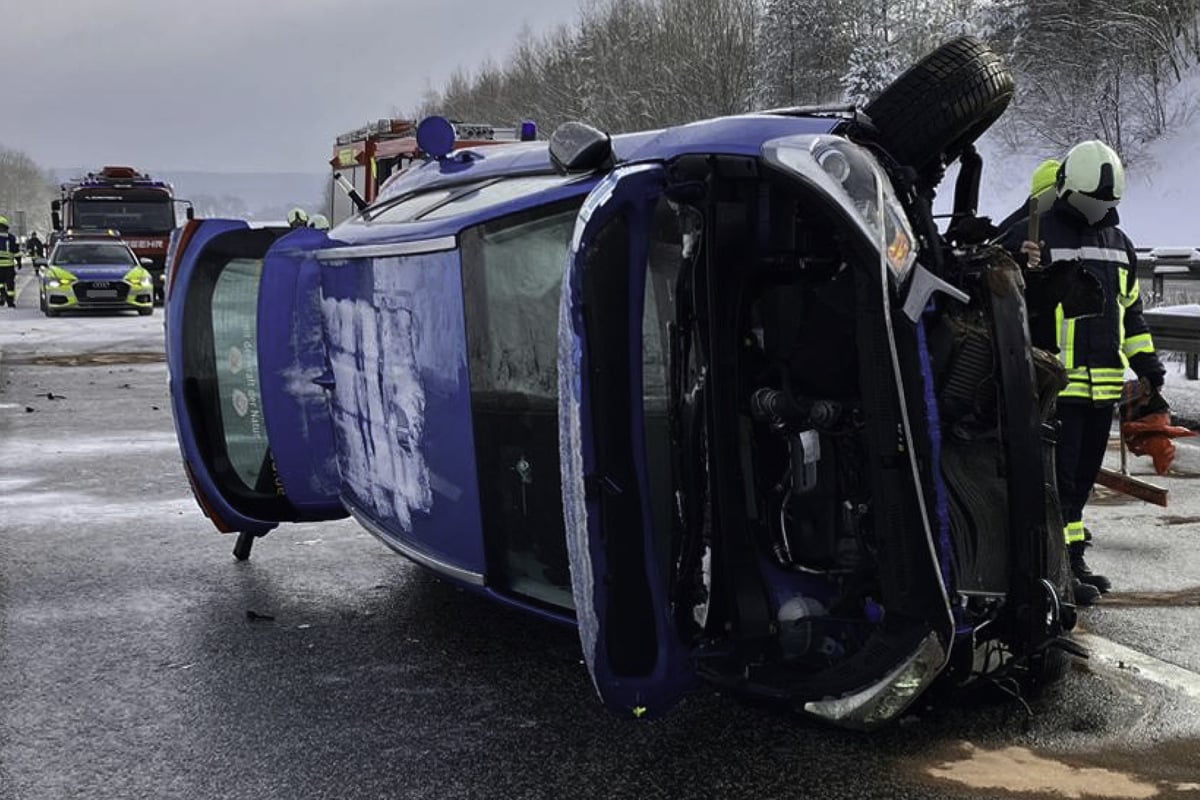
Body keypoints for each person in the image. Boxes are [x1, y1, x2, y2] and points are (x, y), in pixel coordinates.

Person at [1004, 140, 1167, 606]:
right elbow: (997, 293)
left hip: (1102, 391)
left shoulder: (1119, 245)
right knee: (1056, 484)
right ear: (1066, 190)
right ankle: (1054, 571)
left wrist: (1149, 369)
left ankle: (1071, 562)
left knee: (1079, 482)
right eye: (1088, 202)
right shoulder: (1032, 235)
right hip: (1056, 387)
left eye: (1104, 205)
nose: (1096, 211)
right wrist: (1023, 267)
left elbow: (1131, 314)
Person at [0, 215, 22, 308]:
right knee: (10, 284)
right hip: (9, 266)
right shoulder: (11, 238)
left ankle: (2, 296)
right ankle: (10, 302)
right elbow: (16, 251)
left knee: (0, 283)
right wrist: (19, 261)